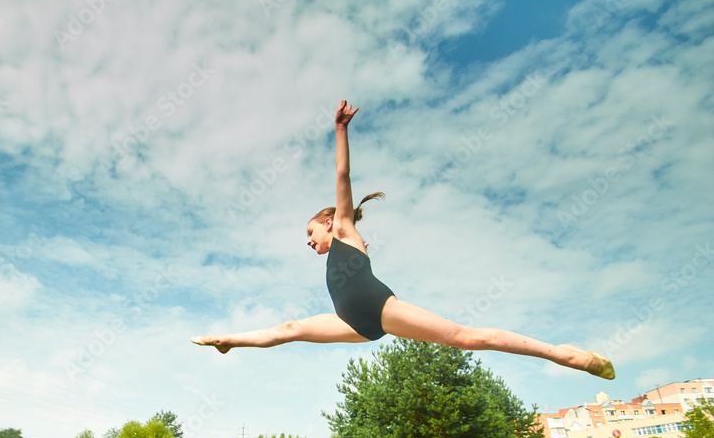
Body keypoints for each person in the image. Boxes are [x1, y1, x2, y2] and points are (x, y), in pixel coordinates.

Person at [191, 100, 614, 380]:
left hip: (379, 309)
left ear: (327, 221)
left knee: (464, 337)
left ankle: (564, 354)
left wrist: (340, 131)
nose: (308, 241)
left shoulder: (343, 228)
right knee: (290, 328)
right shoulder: (336, 247)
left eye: (309, 232)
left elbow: (342, 177)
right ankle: (227, 340)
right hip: (351, 324)